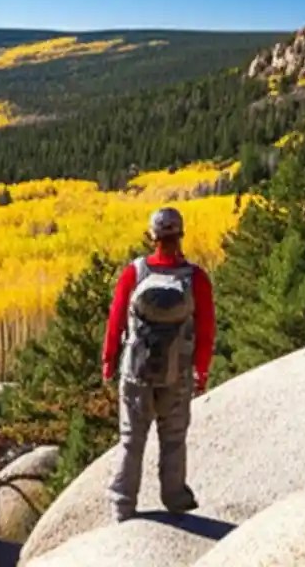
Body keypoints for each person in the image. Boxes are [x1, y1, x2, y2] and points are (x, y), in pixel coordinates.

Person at [101, 206, 216, 521]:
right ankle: (175, 497)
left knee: (131, 439)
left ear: (152, 236)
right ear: (180, 235)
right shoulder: (195, 279)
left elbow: (115, 321)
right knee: (173, 437)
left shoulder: (134, 273)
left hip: (135, 372)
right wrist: (200, 371)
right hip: (176, 373)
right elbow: (206, 330)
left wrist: (109, 360)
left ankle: (122, 505)